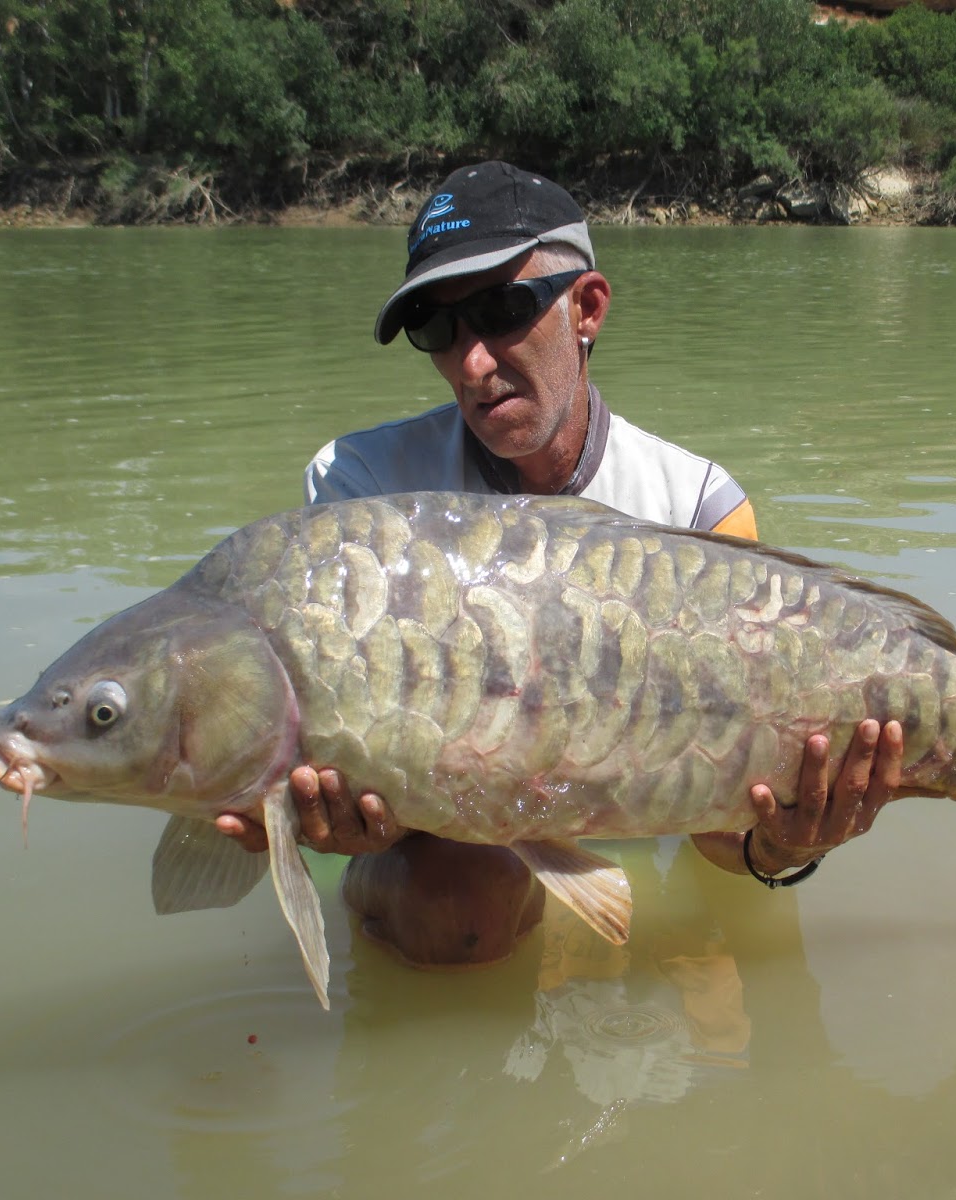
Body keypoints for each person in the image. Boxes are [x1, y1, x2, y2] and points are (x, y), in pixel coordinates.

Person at [217, 161, 907, 967]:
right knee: (451, 907)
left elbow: (724, 835)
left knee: (714, 1005)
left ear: (588, 308)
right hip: (458, 853)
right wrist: (375, 822)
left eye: (502, 311)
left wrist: (780, 847)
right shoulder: (362, 494)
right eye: (437, 330)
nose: (471, 364)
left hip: (637, 828)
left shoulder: (698, 509)